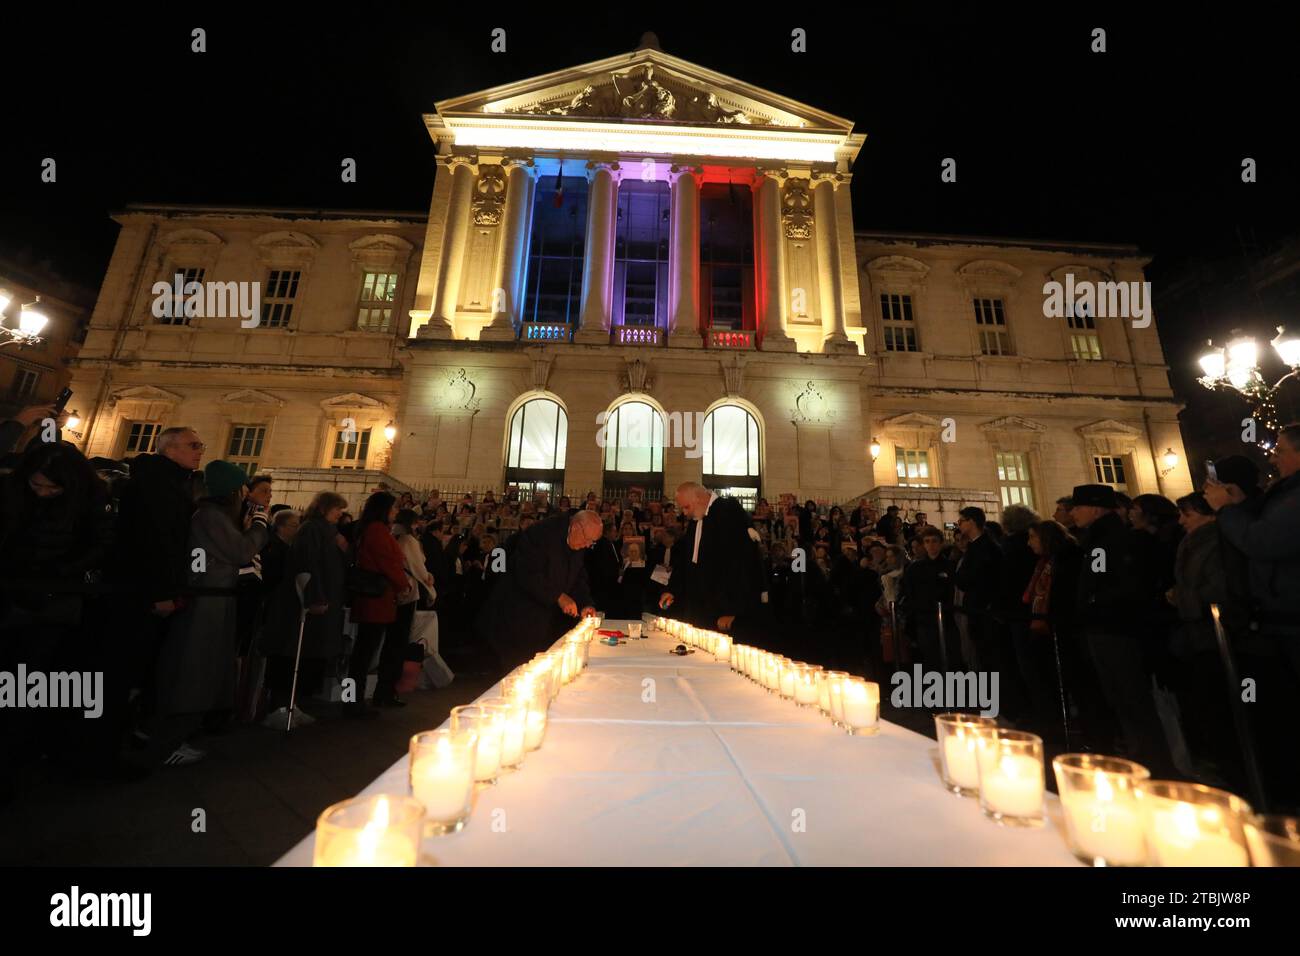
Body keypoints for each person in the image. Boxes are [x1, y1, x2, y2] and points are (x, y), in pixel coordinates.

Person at [0, 440, 115, 794]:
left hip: (52, 603)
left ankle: (11, 764)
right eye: (37, 486)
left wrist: (57, 576)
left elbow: (100, 547)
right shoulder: (12, 494)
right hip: (10, 596)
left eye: (52, 488)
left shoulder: (91, 501)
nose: (44, 493)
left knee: (25, 689)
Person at [1205, 422, 1300, 811]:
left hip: (1287, 621)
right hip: (1271, 620)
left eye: (1281, 448)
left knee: (1279, 714)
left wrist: (1228, 511)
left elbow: (1261, 542)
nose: (1273, 455)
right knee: (1268, 713)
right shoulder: (1282, 495)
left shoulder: (1292, 498)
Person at [153, 460, 268, 765]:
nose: (247, 495)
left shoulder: (211, 515)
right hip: (206, 602)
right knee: (194, 667)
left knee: (202, 666)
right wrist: (260, 524)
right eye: (243, 489)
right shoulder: (211, 516)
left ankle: (177, 735)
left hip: (213, 599)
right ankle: (167, 741)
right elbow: (242, 550)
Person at [108, 426, 203, 756]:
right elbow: (155, 541)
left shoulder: (169, 482)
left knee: (144, 666)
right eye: (193, 445)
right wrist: (161, 592)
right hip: (147, 594)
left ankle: (129, 738)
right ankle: (124, 742)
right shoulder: (159, 485)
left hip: (149, 589)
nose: (200, 450)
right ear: (169, 449)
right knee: (137, 666)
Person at [1070, 483, 1173, 776]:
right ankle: (1143, 758)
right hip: (1108, 625)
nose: (1074, 513)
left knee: (1129, 697)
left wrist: (1091, 603)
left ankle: (1150, 762)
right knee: (1123, 697)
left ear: (1095, 508)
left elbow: (1103, 581)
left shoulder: (1105, 540)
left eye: (1078, 507)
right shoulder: (1103, 537)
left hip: (1112, 628)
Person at [1165, 491, 1240, 789]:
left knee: (1220, 699)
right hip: (1196, 631)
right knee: (1203, 697)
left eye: (1188, 514)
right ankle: (1217, 760)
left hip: (1214, 633)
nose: (1181, 520)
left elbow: (1217, 588)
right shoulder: (1191, 543)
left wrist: (1181, 598)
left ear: (1208, 515)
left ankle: (1231, 769)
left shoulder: (1216, 542)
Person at [260, 492, 348, 723]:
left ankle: (293, 702)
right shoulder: (312, 530)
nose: (340, 513)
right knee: (293, 653)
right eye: (337, 508)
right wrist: (314, 597)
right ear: (324, 508)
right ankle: (282, 704)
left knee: (306, 654)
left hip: (321, 602)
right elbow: (307, 565)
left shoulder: (327, 532)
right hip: (306, 605)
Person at [475, 510, 599, 672]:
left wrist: (585, 603)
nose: (588, 545)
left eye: (592, 542)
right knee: (516, 673)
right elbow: (526, 573)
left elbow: (578, 576)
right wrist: (558, 596)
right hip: (516, 616)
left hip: (540, 620)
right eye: (588, 540)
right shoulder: (541, 534)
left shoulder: (578, 540)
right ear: (576, 527)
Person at [660, 483, 761, 633]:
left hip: (721, 607)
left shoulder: (728, 510)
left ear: (699, 498)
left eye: (686, 507)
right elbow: (687, 560)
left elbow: (740, 562)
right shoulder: (697, 518)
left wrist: (733, 610)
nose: (685, 513)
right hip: (697, 605)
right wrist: (672, 589)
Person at [348, 492, 415, 714]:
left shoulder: (373, 529)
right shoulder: (376, 530)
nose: (396, 512)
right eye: (393, 508)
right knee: (364, 652)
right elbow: (387, 562)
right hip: (376, 599)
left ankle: (353, 700)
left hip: (377, 598)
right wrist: (403, 584)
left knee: (364, 651)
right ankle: (353, 702)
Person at [1018, 519, 1082, 743]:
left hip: (1058, 627)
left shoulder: (1063, 560)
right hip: (1043, 625)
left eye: (1032, 537)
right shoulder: (1044, 562)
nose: (1029, 543)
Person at [953, 506, 1002, 673]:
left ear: (971, 521)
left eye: (961, 521)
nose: (958, 525)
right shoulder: (979, 545)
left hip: (983, 610)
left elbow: (969, 578)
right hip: (977, 609)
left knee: (988, 658)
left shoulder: (985, 547)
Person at [902, 527, 957, 671]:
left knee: (949, 658)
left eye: (934, 541)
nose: (931, 545)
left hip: (947, 619)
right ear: (924, 544)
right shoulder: (915, 569)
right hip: (924, 619)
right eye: (927, 541)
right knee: (930, 658)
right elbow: (910, 593)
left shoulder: (951, 566)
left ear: (941, 543)